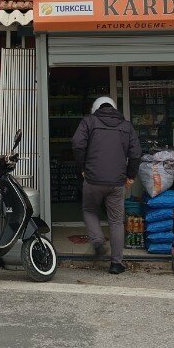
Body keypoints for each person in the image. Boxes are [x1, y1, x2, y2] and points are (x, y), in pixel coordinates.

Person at [71, 95, 142, 274]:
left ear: (95, 109)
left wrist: (82, 168)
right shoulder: (126, 126)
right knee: (117, 220)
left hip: (93, 179)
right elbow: (136, 153)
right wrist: (131, 176)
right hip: (118, 181)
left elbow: (77, 144)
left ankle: (97, 241)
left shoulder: (88, 122)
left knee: (89, 210)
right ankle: (116, 264)